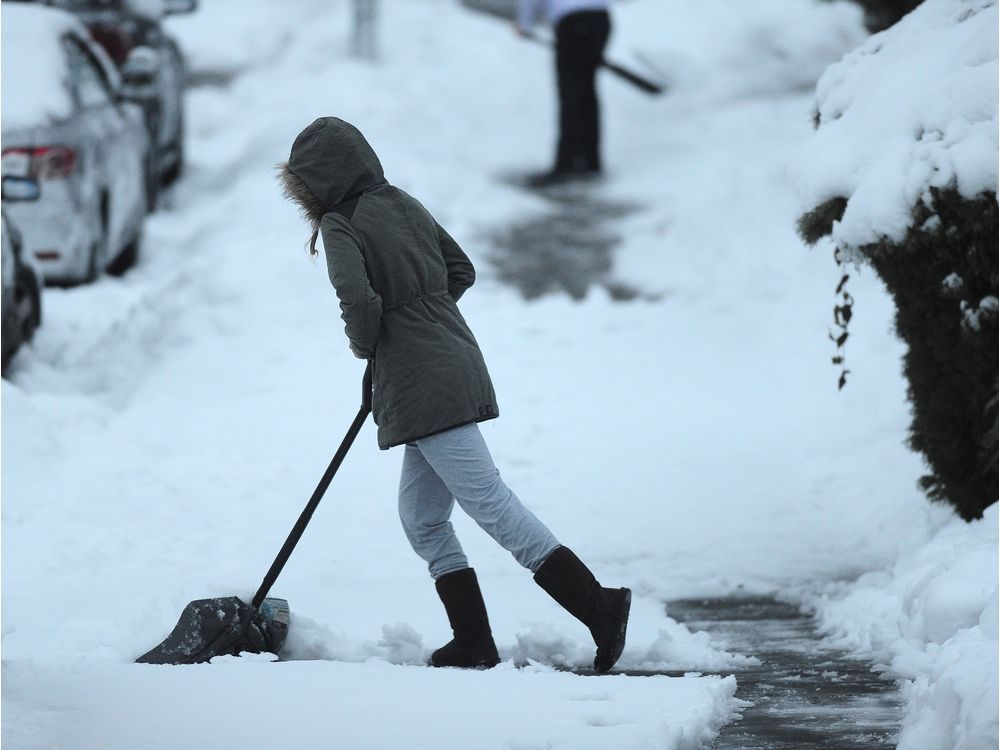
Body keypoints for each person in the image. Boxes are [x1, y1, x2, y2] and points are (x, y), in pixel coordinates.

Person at [277, 117, 631, 671]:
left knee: (490, 503)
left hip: (423, 383)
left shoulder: (340, 223)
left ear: (312, 181)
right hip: (450, 363)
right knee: (422, 517)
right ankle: (474, 641)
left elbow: (358, 301)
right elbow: (459, 268)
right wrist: (426, 321)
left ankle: (599, 605)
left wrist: (375, 348)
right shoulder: (401, 202)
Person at [516, 0, 612, 186]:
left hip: (573, 23)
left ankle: (566, 164)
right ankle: (591, 162)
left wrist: (524, 25)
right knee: (586, 92)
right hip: (601, 19)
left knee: (571, 93)